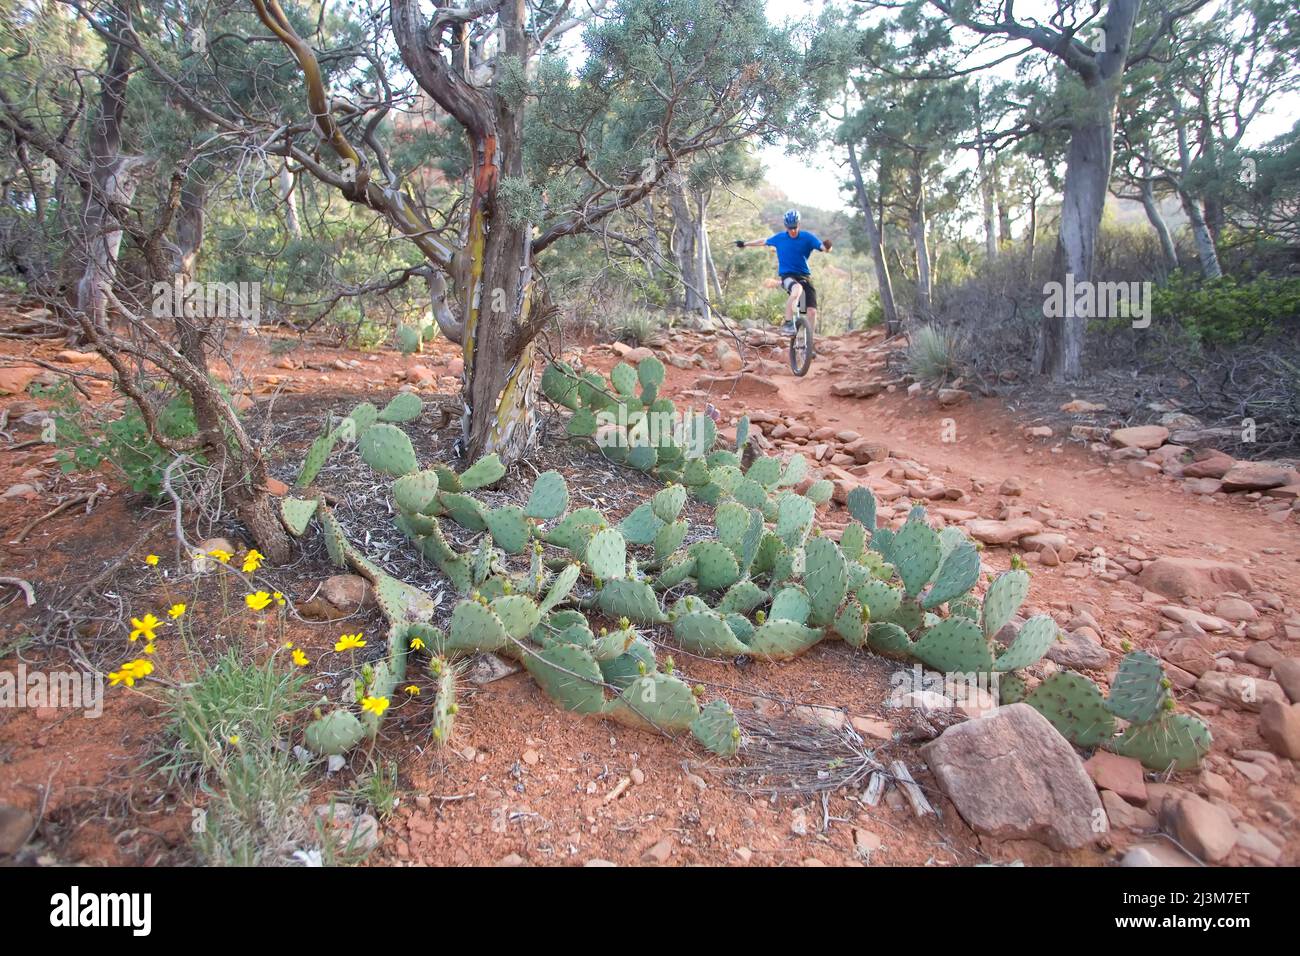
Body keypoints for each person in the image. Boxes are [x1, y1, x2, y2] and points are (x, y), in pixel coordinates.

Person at [735, 209, 832, 338]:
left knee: (811, 311)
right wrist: (745, 244)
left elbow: (823, 248)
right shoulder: (780, 238)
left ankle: (809, 343)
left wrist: (828, 247)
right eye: (789, 228)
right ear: (786, 226)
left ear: (799, 224)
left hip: (804, 277)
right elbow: (763, 241)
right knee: (797, 289)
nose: (792, 231)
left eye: (795, 227)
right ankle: (788, 323)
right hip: (787, 276)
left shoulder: (807, 237)